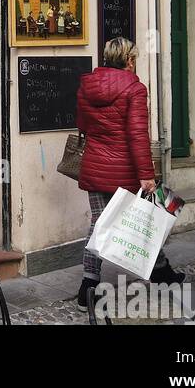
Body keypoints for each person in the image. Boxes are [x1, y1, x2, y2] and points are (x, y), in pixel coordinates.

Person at [75, 37, 184, 310]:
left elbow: (82, 125)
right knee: (145, 222)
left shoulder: (86, 86)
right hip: (125, 170)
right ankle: (162, 273)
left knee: (99, 224)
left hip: (95, 165)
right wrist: (147, 174)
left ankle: (88, 288)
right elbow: (137, 136)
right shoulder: (134, 89)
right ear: (129, 60)